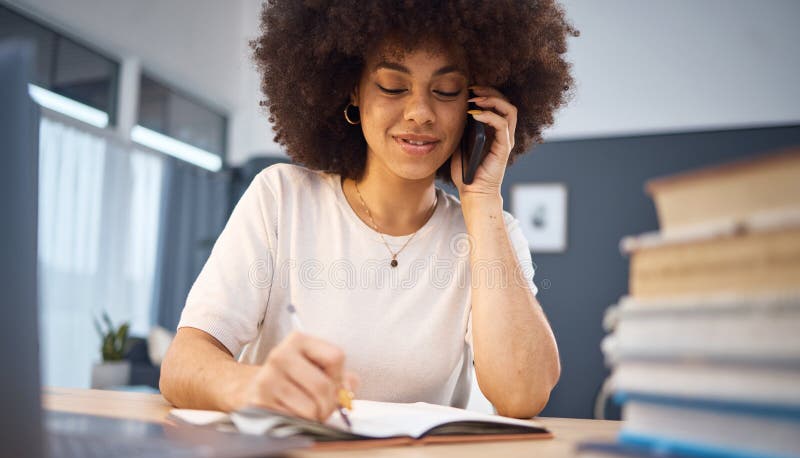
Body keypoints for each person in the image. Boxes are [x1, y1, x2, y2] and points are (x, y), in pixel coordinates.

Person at [159, 0, 578, 420]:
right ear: (353, 90)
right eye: (393, 87)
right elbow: (182, 364)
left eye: (447, 91)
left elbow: (522, 394)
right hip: (290, 457)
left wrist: (483, 198)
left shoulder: (491, 232)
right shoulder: (282, 198)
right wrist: (252, 387)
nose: (420, 113)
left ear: (475, 104)